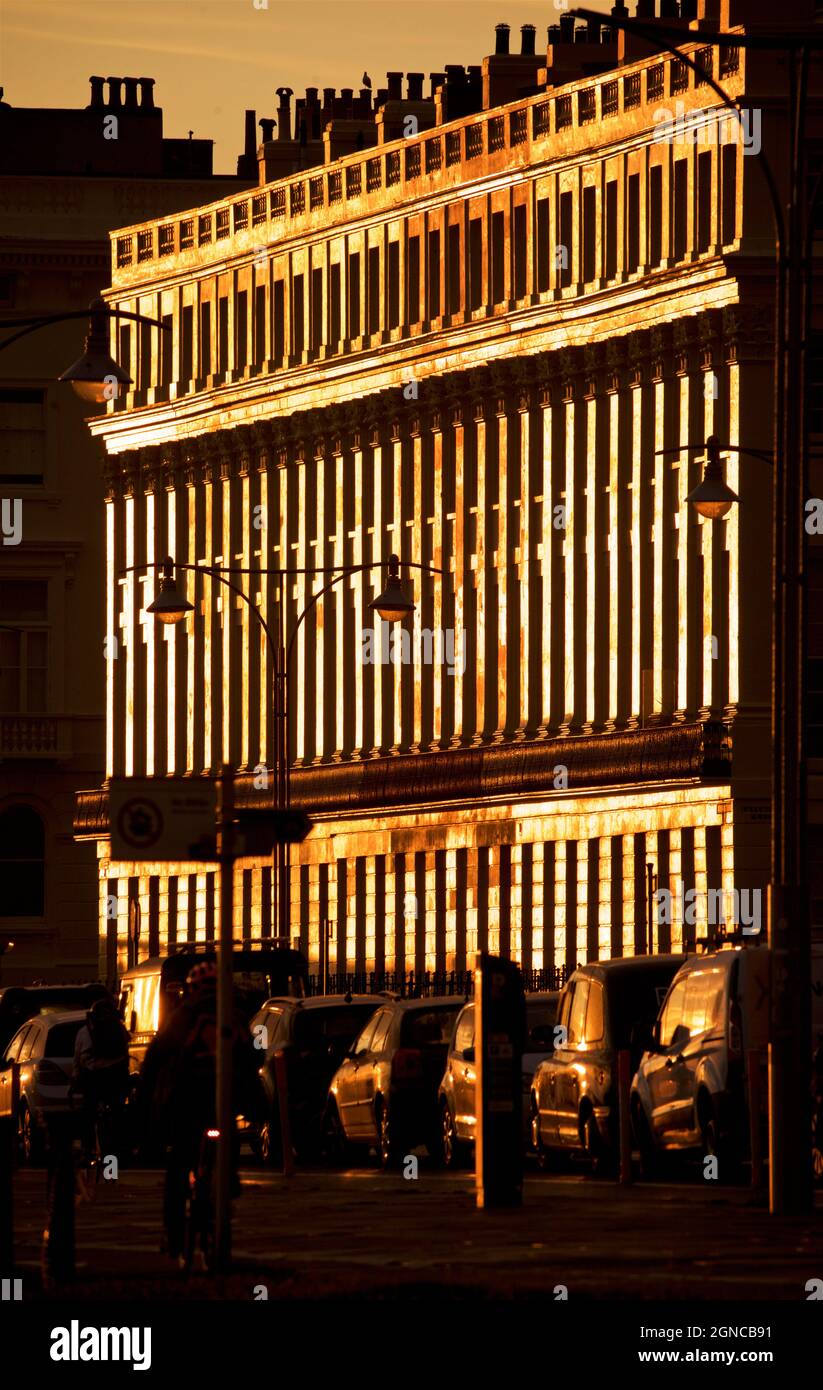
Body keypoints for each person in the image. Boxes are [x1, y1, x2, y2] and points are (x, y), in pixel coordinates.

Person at [140, 959, 263, 1265]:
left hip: (187, 1101)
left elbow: (156, 1055)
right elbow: (252, 1058)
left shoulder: (183, 1016)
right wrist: (258, 1106)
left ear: (191, 990)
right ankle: (227, 1184)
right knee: (227, 1146)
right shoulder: (233, 1016)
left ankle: (172, 1234)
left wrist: (147, 1095)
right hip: (223, 1102)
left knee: (179, 1164)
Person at [71, 996, 131, 1163]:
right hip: (115, 1076)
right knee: (118, 1112)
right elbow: (126, 1050)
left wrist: (76, 1077)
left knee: (88, 1115)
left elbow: (78, 1059)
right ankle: (120, 1151)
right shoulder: (119, 1028)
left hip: (94, 1077)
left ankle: (87, 1149)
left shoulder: (84, 1031)